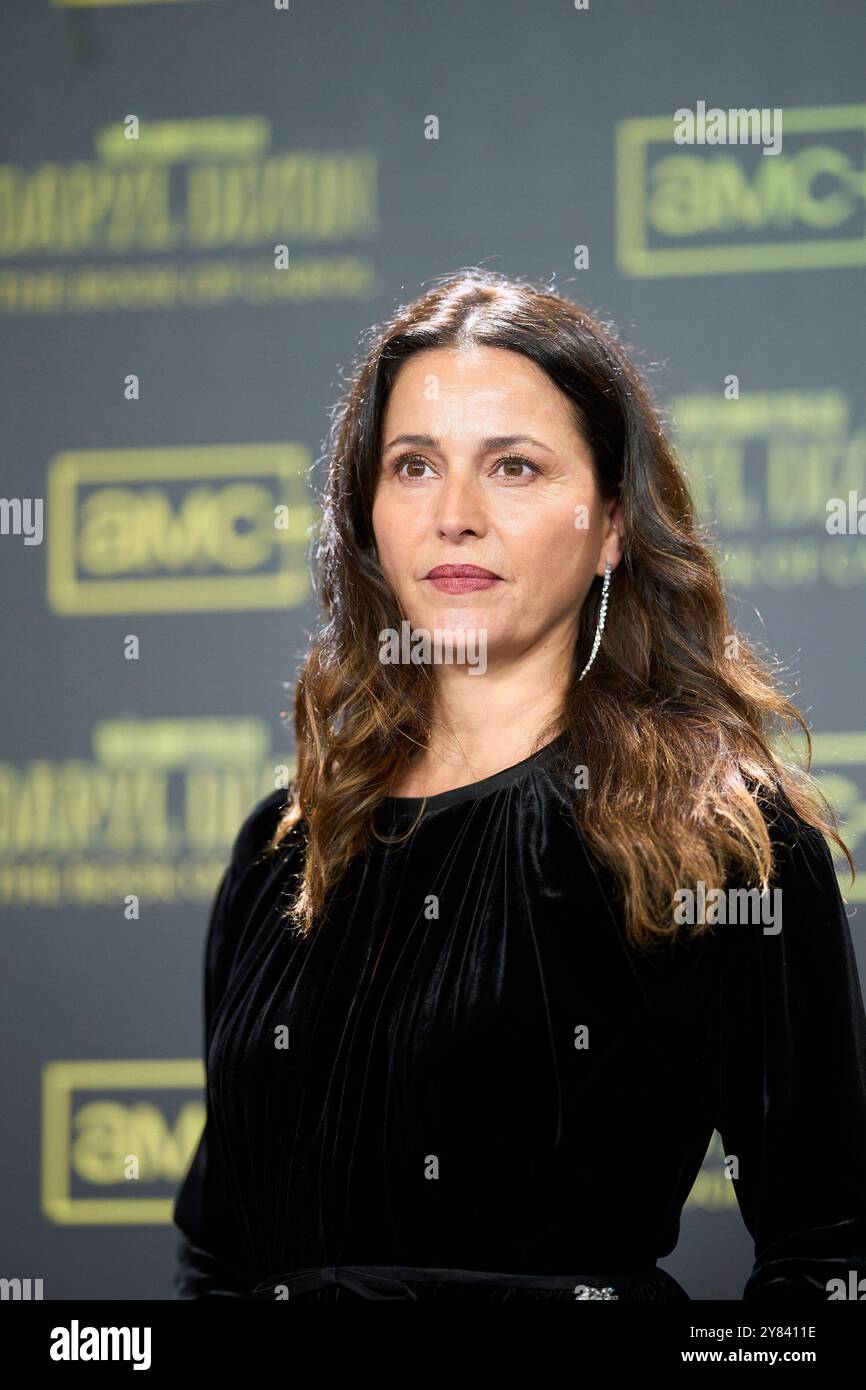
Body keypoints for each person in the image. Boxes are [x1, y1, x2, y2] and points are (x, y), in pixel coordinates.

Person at [172, 269, 866, 1301]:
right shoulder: (284, 847)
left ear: (613, 523)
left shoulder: (721, 844)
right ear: (367, 514)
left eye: (513, 467)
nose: (454, 515)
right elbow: (217, 1255)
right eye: (414, 465)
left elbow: (829, 1260)